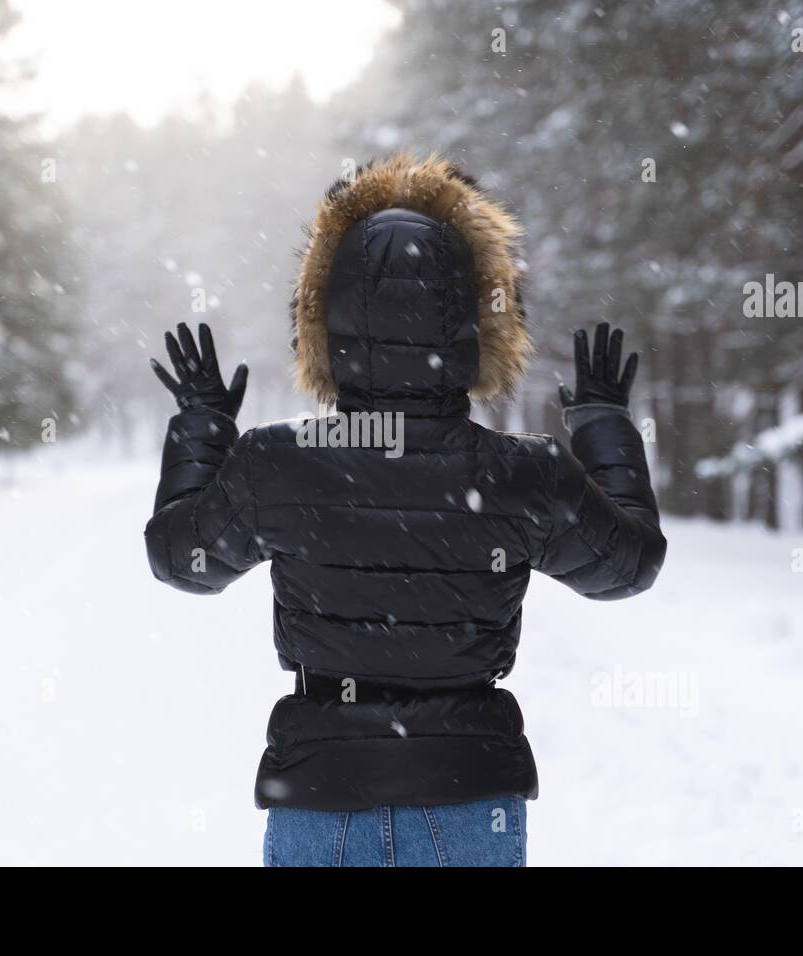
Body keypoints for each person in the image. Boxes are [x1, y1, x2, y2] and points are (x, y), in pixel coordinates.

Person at [145, 152, 666, 867]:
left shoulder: (277, 461)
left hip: (321, 796)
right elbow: (628, 567)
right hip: (467, 802)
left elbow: (180, 560)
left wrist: (203, 427)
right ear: (482, 319)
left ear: (324, 321)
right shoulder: (524, 473)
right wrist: (604, 425)